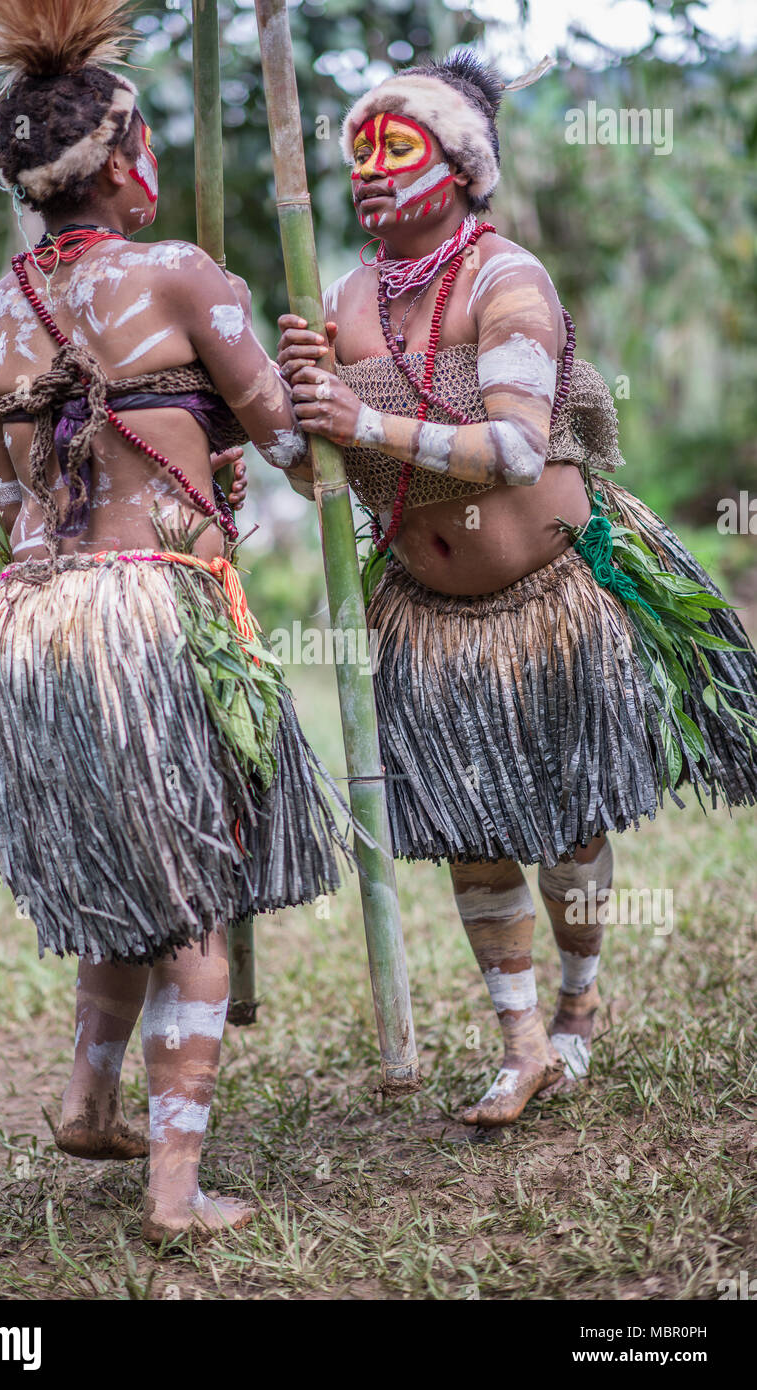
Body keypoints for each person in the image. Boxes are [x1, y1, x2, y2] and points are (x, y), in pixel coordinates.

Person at [0, 0, 348, 1243]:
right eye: (147, 142)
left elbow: (8, 508)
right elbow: (294, 452)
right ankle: (174, 1190)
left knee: (127, 880)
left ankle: (83, 1099)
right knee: (197, 896)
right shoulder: (180, 273)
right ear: (119, 166)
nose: (156, 159)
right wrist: (313, 390)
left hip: (22, 630)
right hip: (148, 617)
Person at [276, 50, 757, 1127]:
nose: (367, 171)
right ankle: (521, 1037)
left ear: (459, 167)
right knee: (473, 825)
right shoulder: (342, 300)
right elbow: (309, 473)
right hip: (431, 618)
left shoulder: (507, 279)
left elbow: (514, 451)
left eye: (395, 149)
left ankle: (579, 1007)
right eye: (358, 148)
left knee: (571, 824)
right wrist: (288, 402)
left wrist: (357, 418)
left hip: (549, 606)